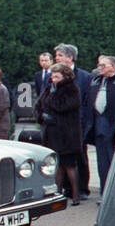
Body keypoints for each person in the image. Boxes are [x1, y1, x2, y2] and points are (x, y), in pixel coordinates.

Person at [35, 62, 83, 204]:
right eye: (52, 76)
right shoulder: (49, 88)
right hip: (52, 132)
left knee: (69, 164)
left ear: (65, 76)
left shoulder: (71, 89)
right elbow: (39, 104)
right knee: (58, 165)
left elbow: (63, 106)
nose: (54, 79)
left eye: (57, 76)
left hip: (67, 133)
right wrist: (41, 116)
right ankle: (57, 193)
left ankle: (75, 195)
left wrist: (52, 98)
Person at [84, 54, 115, 195]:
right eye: (99, 65)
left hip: (114, 130)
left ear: (114, 67)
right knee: (102, 163)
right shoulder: (95, 82)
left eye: (103, 65)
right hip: (98, 127)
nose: (100, 68)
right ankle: (104, 192)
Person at [55, 44, 94, 197]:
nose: (56, 58)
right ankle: (67, 188)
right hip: (59, 125)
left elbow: (87, 101)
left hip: (78, 124)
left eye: (59, 55)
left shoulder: (84, 77)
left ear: (69, 57)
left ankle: (82, 189)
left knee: (80, 157)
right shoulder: (55, 76)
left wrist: (83, 122)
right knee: (62, 158)